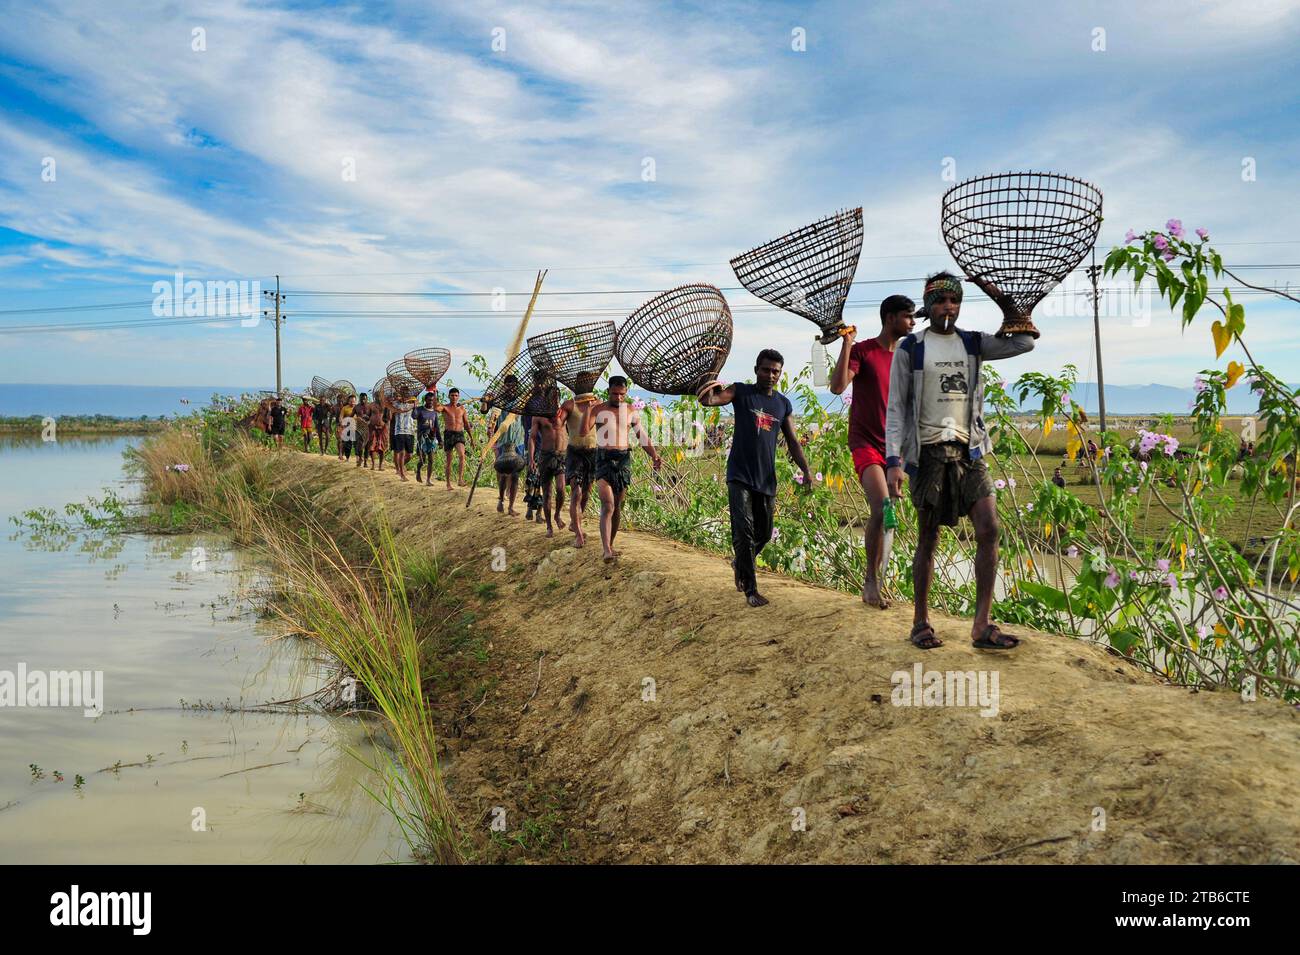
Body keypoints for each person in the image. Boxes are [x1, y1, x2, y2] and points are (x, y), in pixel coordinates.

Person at [885, 271, 1035, 651]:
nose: (947, 308)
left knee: (988, 529)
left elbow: (1023, 342)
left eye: (954, 301)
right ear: (928, 306)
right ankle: (920, 621)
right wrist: (893, 461)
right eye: (940, 301)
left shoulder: (973, 343)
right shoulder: (911, 349)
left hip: (969, 451)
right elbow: (896, 409)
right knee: (929, 537)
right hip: (928, 453)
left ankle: (981, 625)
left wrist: (996, 292)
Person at [701, 350, 812, 607]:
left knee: (763, 533)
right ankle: (751, 590)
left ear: (780, 374)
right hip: (739, 475)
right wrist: (709, 387)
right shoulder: (741, 392)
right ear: (756, 370)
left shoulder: (783, 404)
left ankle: (740, 561)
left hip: (766, 478)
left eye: (775, 371)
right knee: (744, 532)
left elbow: (793, 441)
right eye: (766, 370)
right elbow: (711, 401)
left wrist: (806, 470)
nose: (770, 375)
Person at [829, 294, 915, 609]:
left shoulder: (906, 357)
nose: (913, 322)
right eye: (909, 316)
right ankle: (870, 580)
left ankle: (878, 578)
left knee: (890, 509)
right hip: (865, 442)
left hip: (893, 448)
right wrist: (846, 344)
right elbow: (838, 387)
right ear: (891, 318)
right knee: (882, 506)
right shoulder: (863, 351)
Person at [580, 375, 662, 563]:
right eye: (614, 394)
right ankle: (606, 549)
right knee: (607, 504)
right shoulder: (598, 410)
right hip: (603, 459)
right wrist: (587, 410)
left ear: (626, 393)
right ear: (608, 391)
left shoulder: (631, 411)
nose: (618, 398)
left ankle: (611, 544)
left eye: (621, 394)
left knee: (617, 506)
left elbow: (642, 436)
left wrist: (654, 455)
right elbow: (584, 432)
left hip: (624, 459)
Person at [557, 376, 600, 548]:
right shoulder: (569, 405)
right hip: (575, 452)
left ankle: (576, 523)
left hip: (592, 452)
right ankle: (579, 535)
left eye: (586, 382)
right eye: (581, 382)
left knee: (587, 493)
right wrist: (556, 418)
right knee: (576, 492)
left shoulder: (597, 403)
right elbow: (559, 424)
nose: (583, 384)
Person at [529, 408, 567, 537]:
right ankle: (549, 526)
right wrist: (531, 459)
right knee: (547, 492)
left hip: (561, 455)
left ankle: (557, 514)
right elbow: (532, 438)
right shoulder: (538, 416)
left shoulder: (564, 412)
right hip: (545, 457)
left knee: (561, 488)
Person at [438, 388, 474, 489]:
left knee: (462, 455)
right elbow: (437, 408)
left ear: (458, 397)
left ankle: (460, 480)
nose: (454, 397)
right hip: (449, 434)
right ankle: (448, 483)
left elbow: (466, 424)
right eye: (452, 395)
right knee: (449, 459)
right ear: (449, 396)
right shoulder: (445, 408)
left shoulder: (462, 409)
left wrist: (471, 439)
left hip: (459, 434)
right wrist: (434, 392)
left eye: (456, 395)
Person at [492, 412, 527, 515]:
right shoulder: (501, 405)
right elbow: (486, 410)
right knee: (504, 474)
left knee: (515, 475)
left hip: (519, 442)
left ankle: (511, 506)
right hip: (504, 442)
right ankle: (501, 500)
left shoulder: (522, 402)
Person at [385, 390, 417, 481]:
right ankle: (402, 474)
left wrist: (413, 404)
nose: (404, 396)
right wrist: (393, 401)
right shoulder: (396, 404)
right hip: (399, 431)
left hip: (410, 431)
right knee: (401, 453)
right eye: (403, 394)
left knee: (410, 455)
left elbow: (416, 412)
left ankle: (401, 467)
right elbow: (388, 405)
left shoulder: (412, 403)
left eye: (406, 394)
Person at [414, 391, 442, 486]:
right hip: (421, 438)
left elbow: (437, 427)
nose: (431, 402)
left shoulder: (434, 412)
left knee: (431, 459)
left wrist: (440, 440)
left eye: (432, 400)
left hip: (431, 438)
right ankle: (418, 470)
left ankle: (428, 480)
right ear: (425, 400)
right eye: (429, 400)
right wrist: (414, 406)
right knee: (422, 460)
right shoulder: (420, 409)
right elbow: (414, 416)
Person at [353, 393, 371, 468]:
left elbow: (372, 416)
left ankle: (366, 462)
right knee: (359, 445)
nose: (363, 400)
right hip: (359, 428)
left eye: (364, 398)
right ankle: (360, 458)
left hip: (368, 428)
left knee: (367, 446)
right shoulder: (356, 407)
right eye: (362, 398)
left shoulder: (369, 407)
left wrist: (368, 421)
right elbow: (351, 416)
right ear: (359, 398)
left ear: (366, 399)